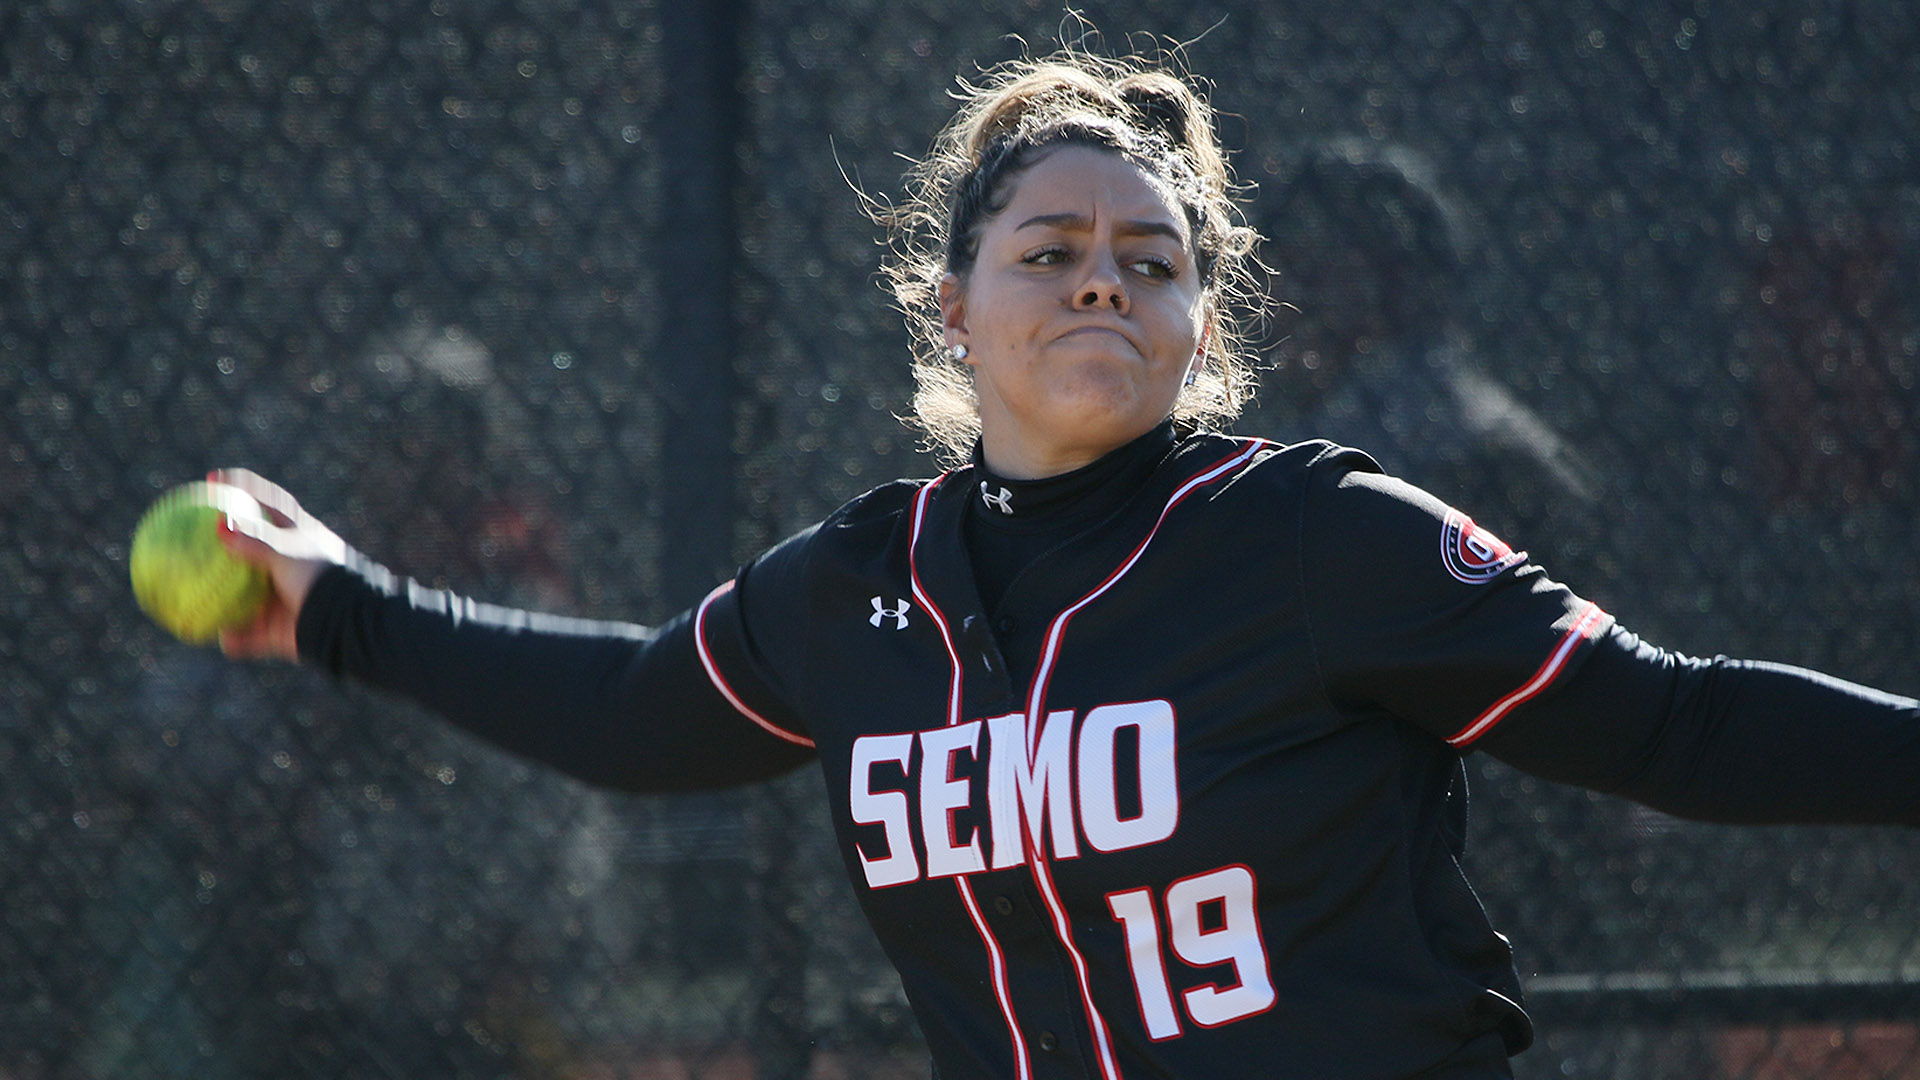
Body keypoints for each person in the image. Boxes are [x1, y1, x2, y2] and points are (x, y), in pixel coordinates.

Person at [210, 48, 1920, 1080]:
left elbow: (1676, 727)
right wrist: (338, 610)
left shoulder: (1317, 535)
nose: (1105, 279)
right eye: (1052, 249)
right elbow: (640, 711)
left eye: (1151, 258)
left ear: (1200, 314)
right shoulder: (850, 591)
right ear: (953, 304)